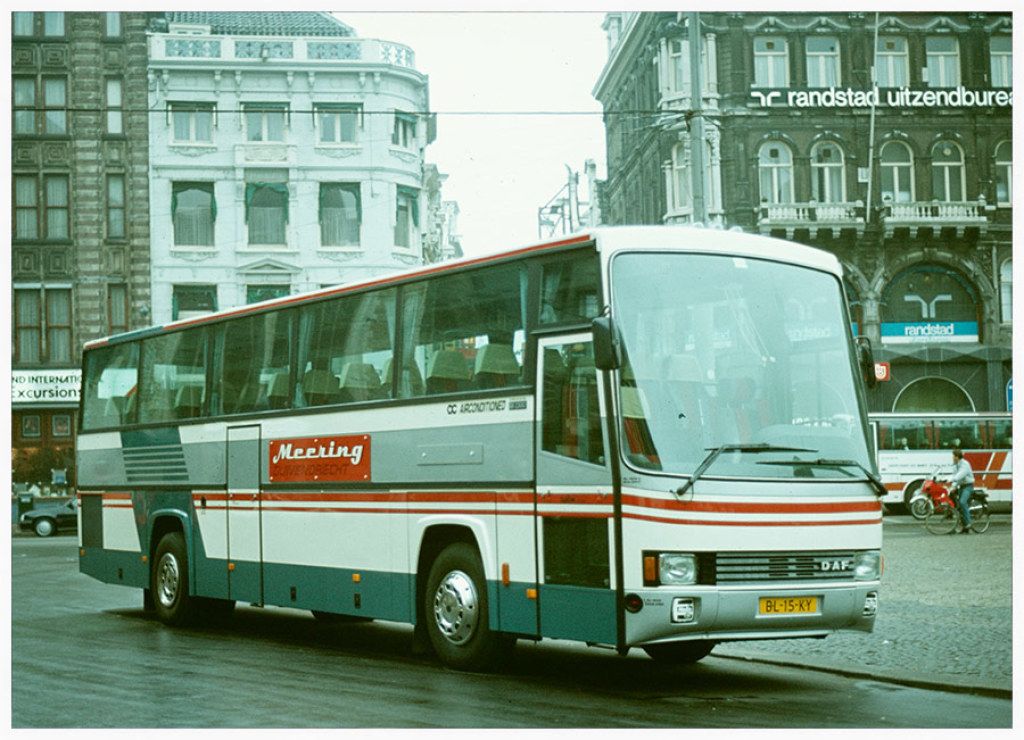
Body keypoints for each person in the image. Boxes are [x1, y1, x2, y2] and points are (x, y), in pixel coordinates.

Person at [948, 448, 976, 533]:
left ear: (957, 456)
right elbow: (955, 476)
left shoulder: (965, 464)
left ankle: (969, 523)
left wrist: (951, 480)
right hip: (961, 486)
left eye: (953, 456)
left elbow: (960, 475)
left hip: (968, 486)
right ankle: (965, 527)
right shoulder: (955, 465)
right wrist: (953, 486)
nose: (952, 457)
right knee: (959, 506)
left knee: (962, 502)